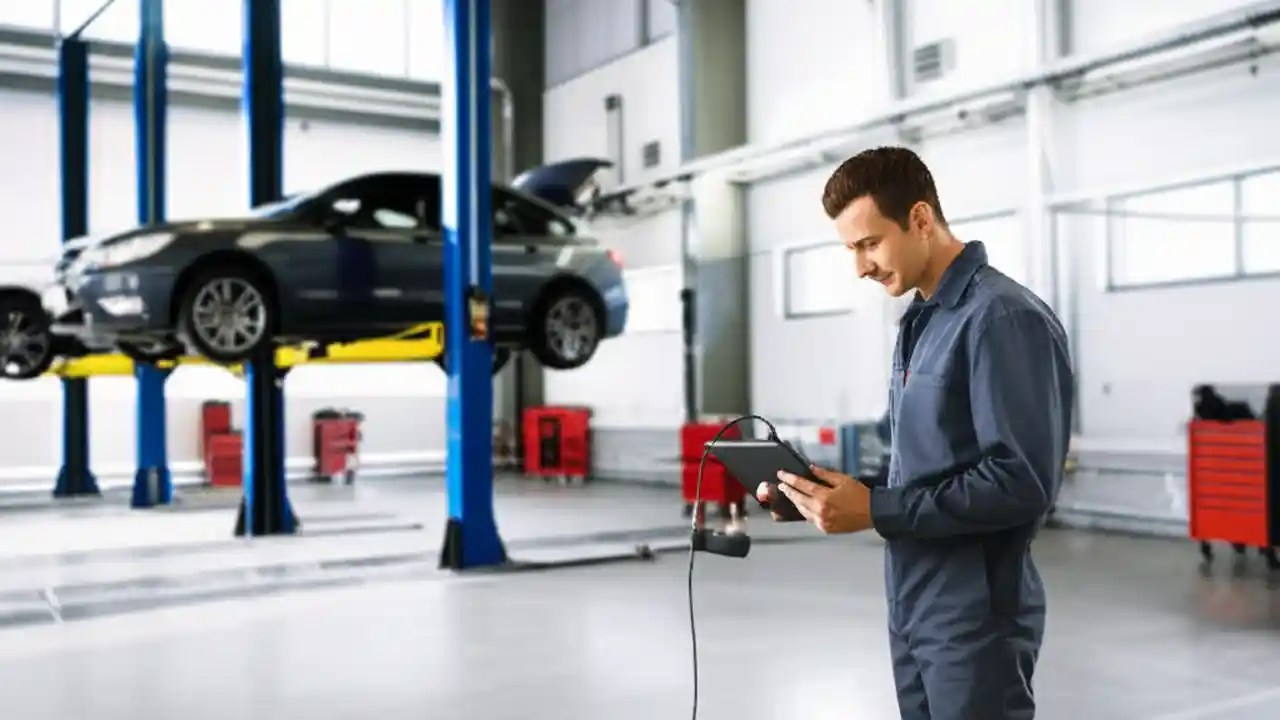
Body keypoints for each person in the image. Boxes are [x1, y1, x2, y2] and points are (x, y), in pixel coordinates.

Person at [756, 146, 1074, 719]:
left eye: (869, 243)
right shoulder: (920, 322)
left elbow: (1021, 483)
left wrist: (875, 510)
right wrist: (820, 494)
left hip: (975, 613)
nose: (861, 267)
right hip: (912, 601)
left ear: (921, 219)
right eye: (851, 250)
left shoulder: (1003, 318)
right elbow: (915, 464)